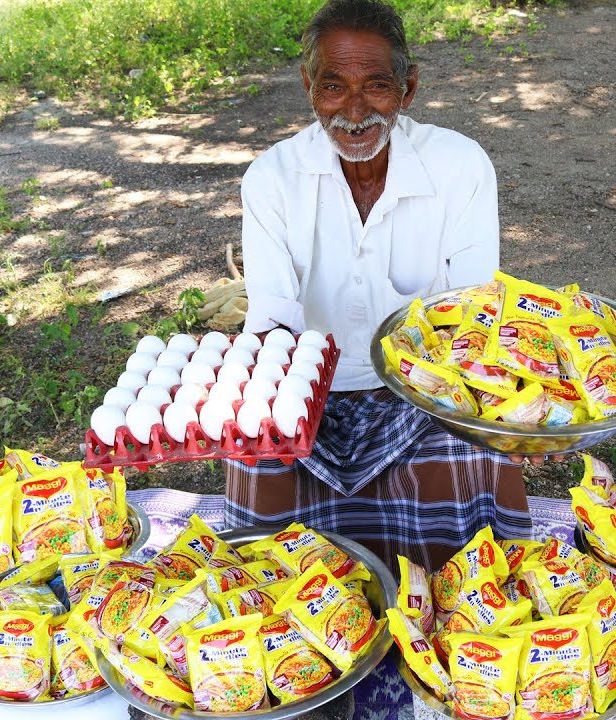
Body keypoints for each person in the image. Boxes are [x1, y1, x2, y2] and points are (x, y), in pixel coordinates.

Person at [227, 0, 534, 569]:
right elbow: (272, 317)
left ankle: (462, 596)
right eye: (332, 86)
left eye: (377, 86)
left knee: (478, 447)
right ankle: (297, 602)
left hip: (426, 391)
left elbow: (472, 313)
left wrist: (471, 395)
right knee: (257, 460)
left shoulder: (460, 166)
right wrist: (273, 404)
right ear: (307, 86)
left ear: (409, 89)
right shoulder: (272, 178)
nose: (354, 110)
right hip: (308, 396)